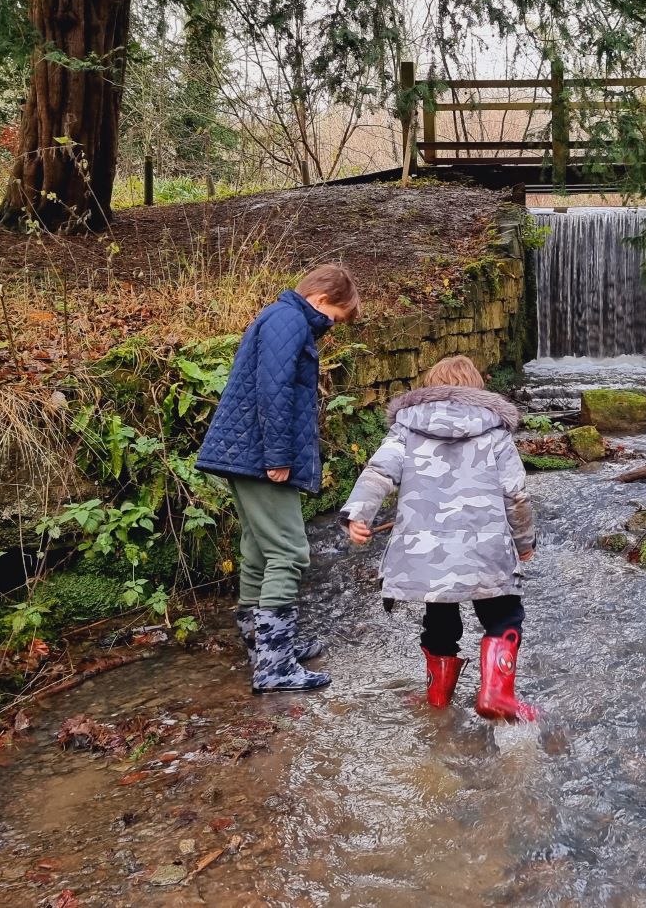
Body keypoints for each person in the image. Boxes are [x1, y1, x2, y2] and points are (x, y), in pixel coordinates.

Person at [342, 355, 538, 721]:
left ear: (431, 389)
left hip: (426, 549)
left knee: (439, 618)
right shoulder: (495, 432)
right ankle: (496, 693)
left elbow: (380, 471)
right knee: (504, 615)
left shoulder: (406, 427)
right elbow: (516, 494)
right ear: (476, 389)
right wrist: (524, 543)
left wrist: (358, 514)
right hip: (485, 548)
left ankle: (437, 701)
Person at [196, 262, 360, 693]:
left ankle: (264, 644)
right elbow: (275, 391)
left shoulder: (279, 317)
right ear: (321, 300)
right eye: (334, 318)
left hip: (245, 454)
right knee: (289, 551)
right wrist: (278, 455)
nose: (330, 327)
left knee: (258, 550)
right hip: (260, 456)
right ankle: (274, 665)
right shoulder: (288, 319)